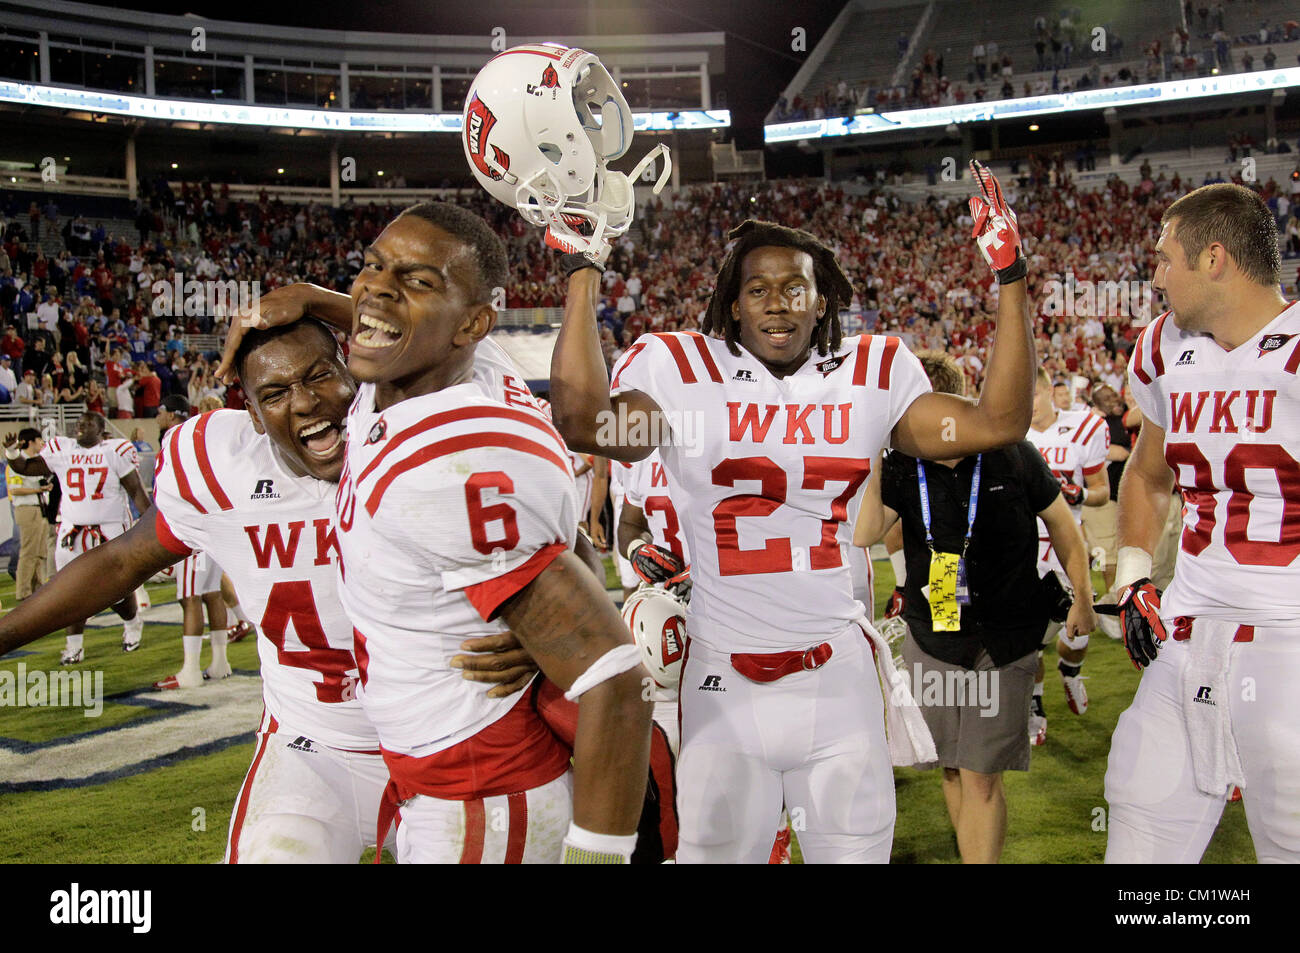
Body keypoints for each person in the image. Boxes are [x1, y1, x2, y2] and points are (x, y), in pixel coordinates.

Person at [548, 161, 1036, 863]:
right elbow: (585, 421)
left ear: (821, 301)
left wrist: (1010, 278)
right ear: (734, 305)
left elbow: (999, 420)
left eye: (794, 288)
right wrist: (583, 270)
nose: (777, 303)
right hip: (723, 679)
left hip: (836, 677)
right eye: (758, 290)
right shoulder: (683, 371)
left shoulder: (871, 371)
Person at [0, 319, 537, 862]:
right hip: (315, 745)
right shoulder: (221, 467)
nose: (304, 403)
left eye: (320, 376)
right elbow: (119, 561)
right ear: (253, 416)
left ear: (356, 377)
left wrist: (543, 631)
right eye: (275, 394)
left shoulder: (427, 440)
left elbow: (560, 542)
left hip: (458, 734)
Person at [219, 203, 657, 864]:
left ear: (473, 323)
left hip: (483, 800)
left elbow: (616, 680)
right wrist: (312, 298)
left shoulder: (457, 461)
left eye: (419, 281)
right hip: (442, 782)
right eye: (372, 266)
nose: (376, 290)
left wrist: (596, 855)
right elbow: (565, 536)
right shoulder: (442, 371)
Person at [1106, 183, 1300, 863]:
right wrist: (1133, 577)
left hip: (1289, 643)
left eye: (1165, 258)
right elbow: (1149, 473)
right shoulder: (1163, 345)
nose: (1156, 274)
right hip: (1184, 641)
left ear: (1213, 257)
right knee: (1137, 841)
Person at [854, 351, 1096, 863]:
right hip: (933, 635)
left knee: (982, 775)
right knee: (949, 766)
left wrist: (1084, 597)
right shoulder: (901, 466)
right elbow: (864, 533)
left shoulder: (1012, 453)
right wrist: (873, 456)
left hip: (1004, 637)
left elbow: (1064, 525)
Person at [3, 412, 150, 661]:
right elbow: (26, 468)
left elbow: (136, 491)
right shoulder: (62, 449)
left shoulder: (115, 451)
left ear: (102, 429)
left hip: (110, 529)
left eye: (88, 423)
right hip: (72, 531)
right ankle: (74, 646)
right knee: (70, 592)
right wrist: (12, 453)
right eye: (79, 423)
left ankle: (133, 623)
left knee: (119, 591)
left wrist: (151, 524)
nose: (81, 426)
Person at [1024, 366, 1110, 742]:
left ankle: (1070, 672)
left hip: (1067, 544)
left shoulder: (1083, 427)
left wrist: (1079, 495)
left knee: (1078, 631)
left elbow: (1102, 491)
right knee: (1030, 638)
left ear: (1047, 390)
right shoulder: (1010, 430)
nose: (1028, 404)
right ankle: (1035, 702)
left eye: (1034, 395)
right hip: (1024, 546)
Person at [6, 427, 50, 601]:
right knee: (28, 552)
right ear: (30, 442)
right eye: (39, 441)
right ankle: (23, 591)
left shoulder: (34, 462)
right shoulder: (17, 462)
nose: (42, 444)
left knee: (39, 553)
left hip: (38, 508)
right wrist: (38, 489)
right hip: (27, 509)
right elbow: (15, 490)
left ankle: (38, 588)